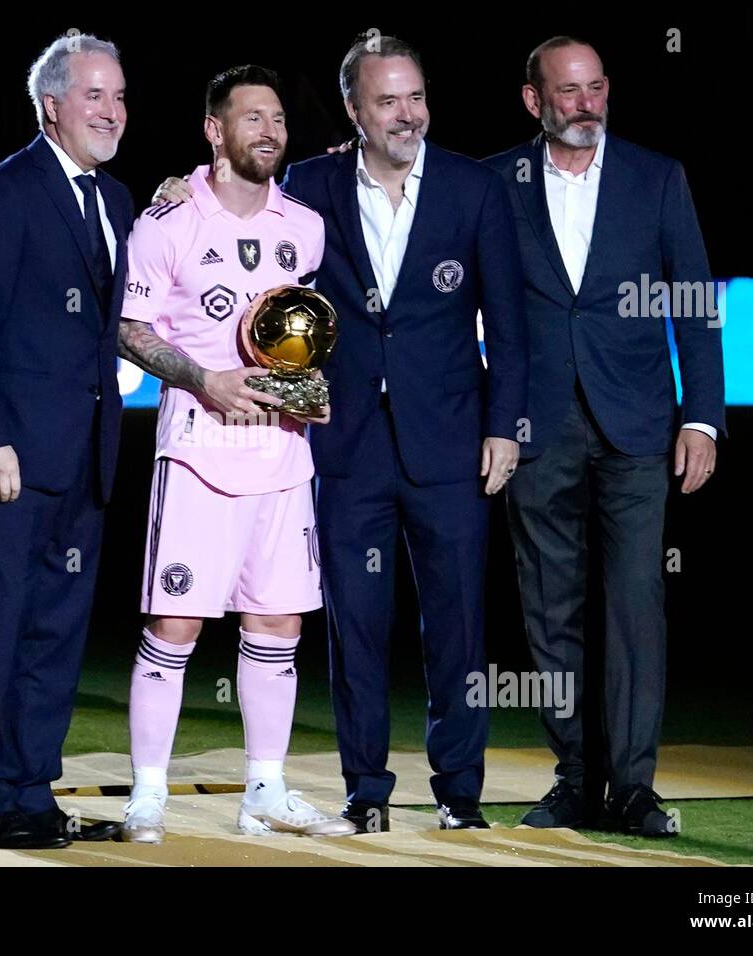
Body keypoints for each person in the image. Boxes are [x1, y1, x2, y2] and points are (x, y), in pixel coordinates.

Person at [155, 34, 527, 832]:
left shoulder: (475, 188)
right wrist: (180, 190)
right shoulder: (309, 184)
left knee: (458, 626)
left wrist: (506, 427)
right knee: (356, 624)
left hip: (453, 442)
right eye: (387, 101)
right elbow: (239, 215)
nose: (407, 115)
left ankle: (460, 792)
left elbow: (511, 317)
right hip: (342, 442)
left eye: (416, 97)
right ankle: (367, 790)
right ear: (355, 111)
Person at [483, 36, 725, 837]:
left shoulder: (658, 177)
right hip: (534, 426)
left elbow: (692, 302)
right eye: (568, 91)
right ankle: (576, 781)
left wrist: (703, 417)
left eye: (595, 89)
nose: (585, 104)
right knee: (549, 610)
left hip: (639, 425)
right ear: (534, 100)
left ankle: (635, 789)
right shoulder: (494, 182)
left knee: (635, 606)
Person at [116, 65, 354, 843]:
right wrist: (204, 378)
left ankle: (266, 790)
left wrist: (305, 394)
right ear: (215, 131)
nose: (269, 130)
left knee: (278, 623)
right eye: (251, 117)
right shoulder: (167, 221)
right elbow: (132, 328)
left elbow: (299, 347)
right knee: (176, 625)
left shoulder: (304, 227)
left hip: (283, 462)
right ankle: (147, 794)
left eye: (278, 118)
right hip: (197, 458)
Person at [0, 33, 133, 850]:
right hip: (12, 458)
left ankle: (31, 785)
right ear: (52, 104)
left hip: (86, 455)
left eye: (120, 97)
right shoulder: (4, 192)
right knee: (3, 623)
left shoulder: (117, 200)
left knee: (56, 632)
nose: (113, 112)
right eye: (95, 96)